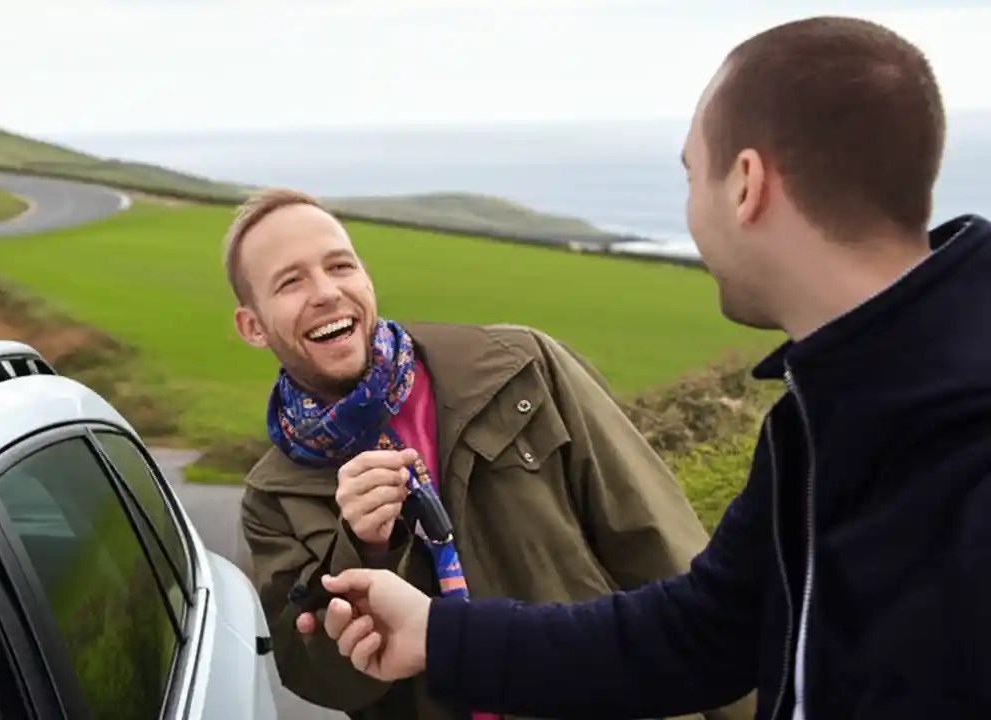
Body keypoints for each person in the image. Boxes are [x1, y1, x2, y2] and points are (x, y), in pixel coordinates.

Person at [304, 14, 991, 720]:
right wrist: (440, 635)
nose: (691, 208)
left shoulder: (960, 449)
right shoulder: (822, 414)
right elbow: (703, 634)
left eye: (694, 175)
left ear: (747, 184)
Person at [225, 187, 755, 720]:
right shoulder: (274, 496)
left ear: (366, 278)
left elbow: (661, 549)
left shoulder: (522, 368)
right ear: (252, 326)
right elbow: (319, 681)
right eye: (291, 281)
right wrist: (363, 550)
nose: (326, 292)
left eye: (340, 266)